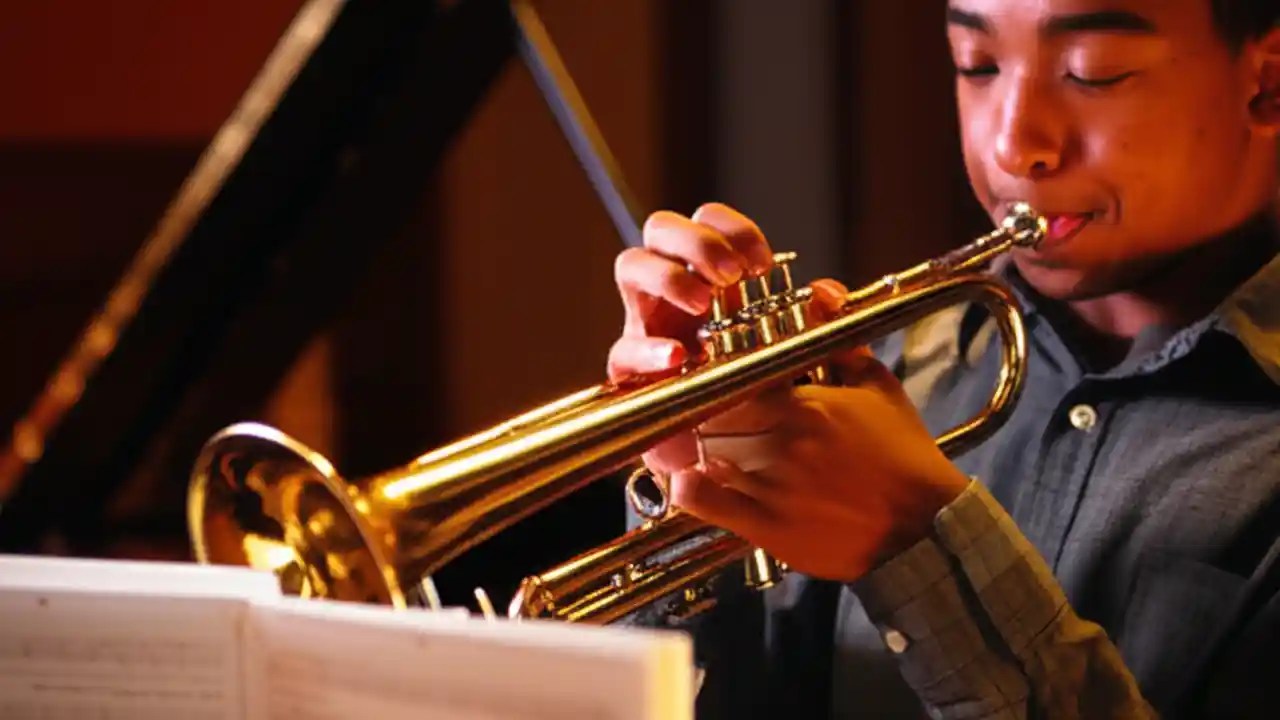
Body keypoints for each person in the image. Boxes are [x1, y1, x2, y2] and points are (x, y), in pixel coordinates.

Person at [610, 1, 1280, 718]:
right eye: (977, 66)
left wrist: (917, 543)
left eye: (1094, 74)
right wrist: (693, 495)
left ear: (1266, 84)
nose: (1013, 146)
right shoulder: (897, 370)